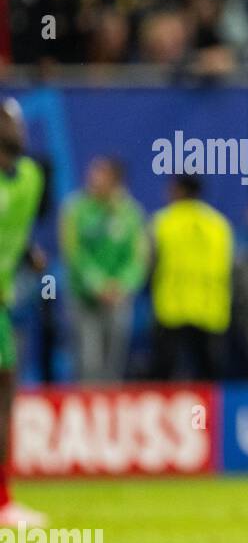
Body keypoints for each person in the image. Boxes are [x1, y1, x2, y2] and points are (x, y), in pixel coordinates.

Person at [0, 99, 47, 527]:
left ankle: (2, 501)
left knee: (5, 396)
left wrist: (28, 253)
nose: (15, 125)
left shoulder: (31, 177)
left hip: (2, 303)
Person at [60, 157, 148, 382]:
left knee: (113, 364)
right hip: (85, 299)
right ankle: (85, 408)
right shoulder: (76, 209)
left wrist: (121, 285)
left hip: (118, 299)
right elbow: (74, 252)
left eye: (100, 174)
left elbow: (138, 258)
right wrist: (98, 284)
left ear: (115, 180)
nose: (93, 178)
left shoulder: (131, 213)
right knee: (88, 363)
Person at [150, 174, 234, 380]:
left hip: (172, 306)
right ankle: (207, 413)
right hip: (210, 307)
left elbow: (150, 261)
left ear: (178, 190)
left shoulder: (163, 221)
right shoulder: (218, 223)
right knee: (208, 373)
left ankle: (170, 412)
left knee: (165, 372)